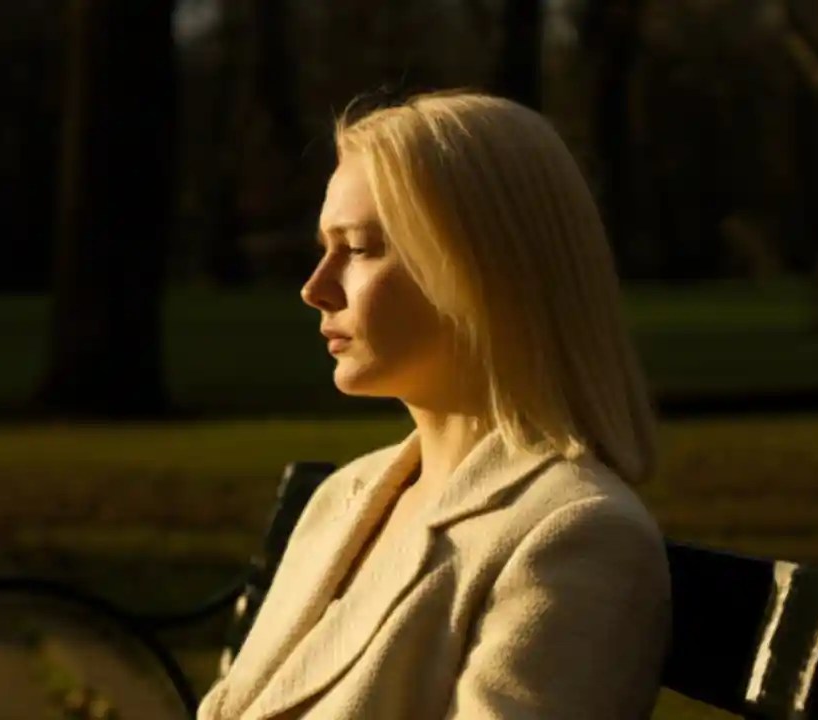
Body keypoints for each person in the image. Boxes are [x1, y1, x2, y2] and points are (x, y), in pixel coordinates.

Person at [198, 90, 671, 719]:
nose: (315, 288)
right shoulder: (347, 495)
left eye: (360, 248)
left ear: (481, 270)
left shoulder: (575, 535)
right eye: (324, 247)